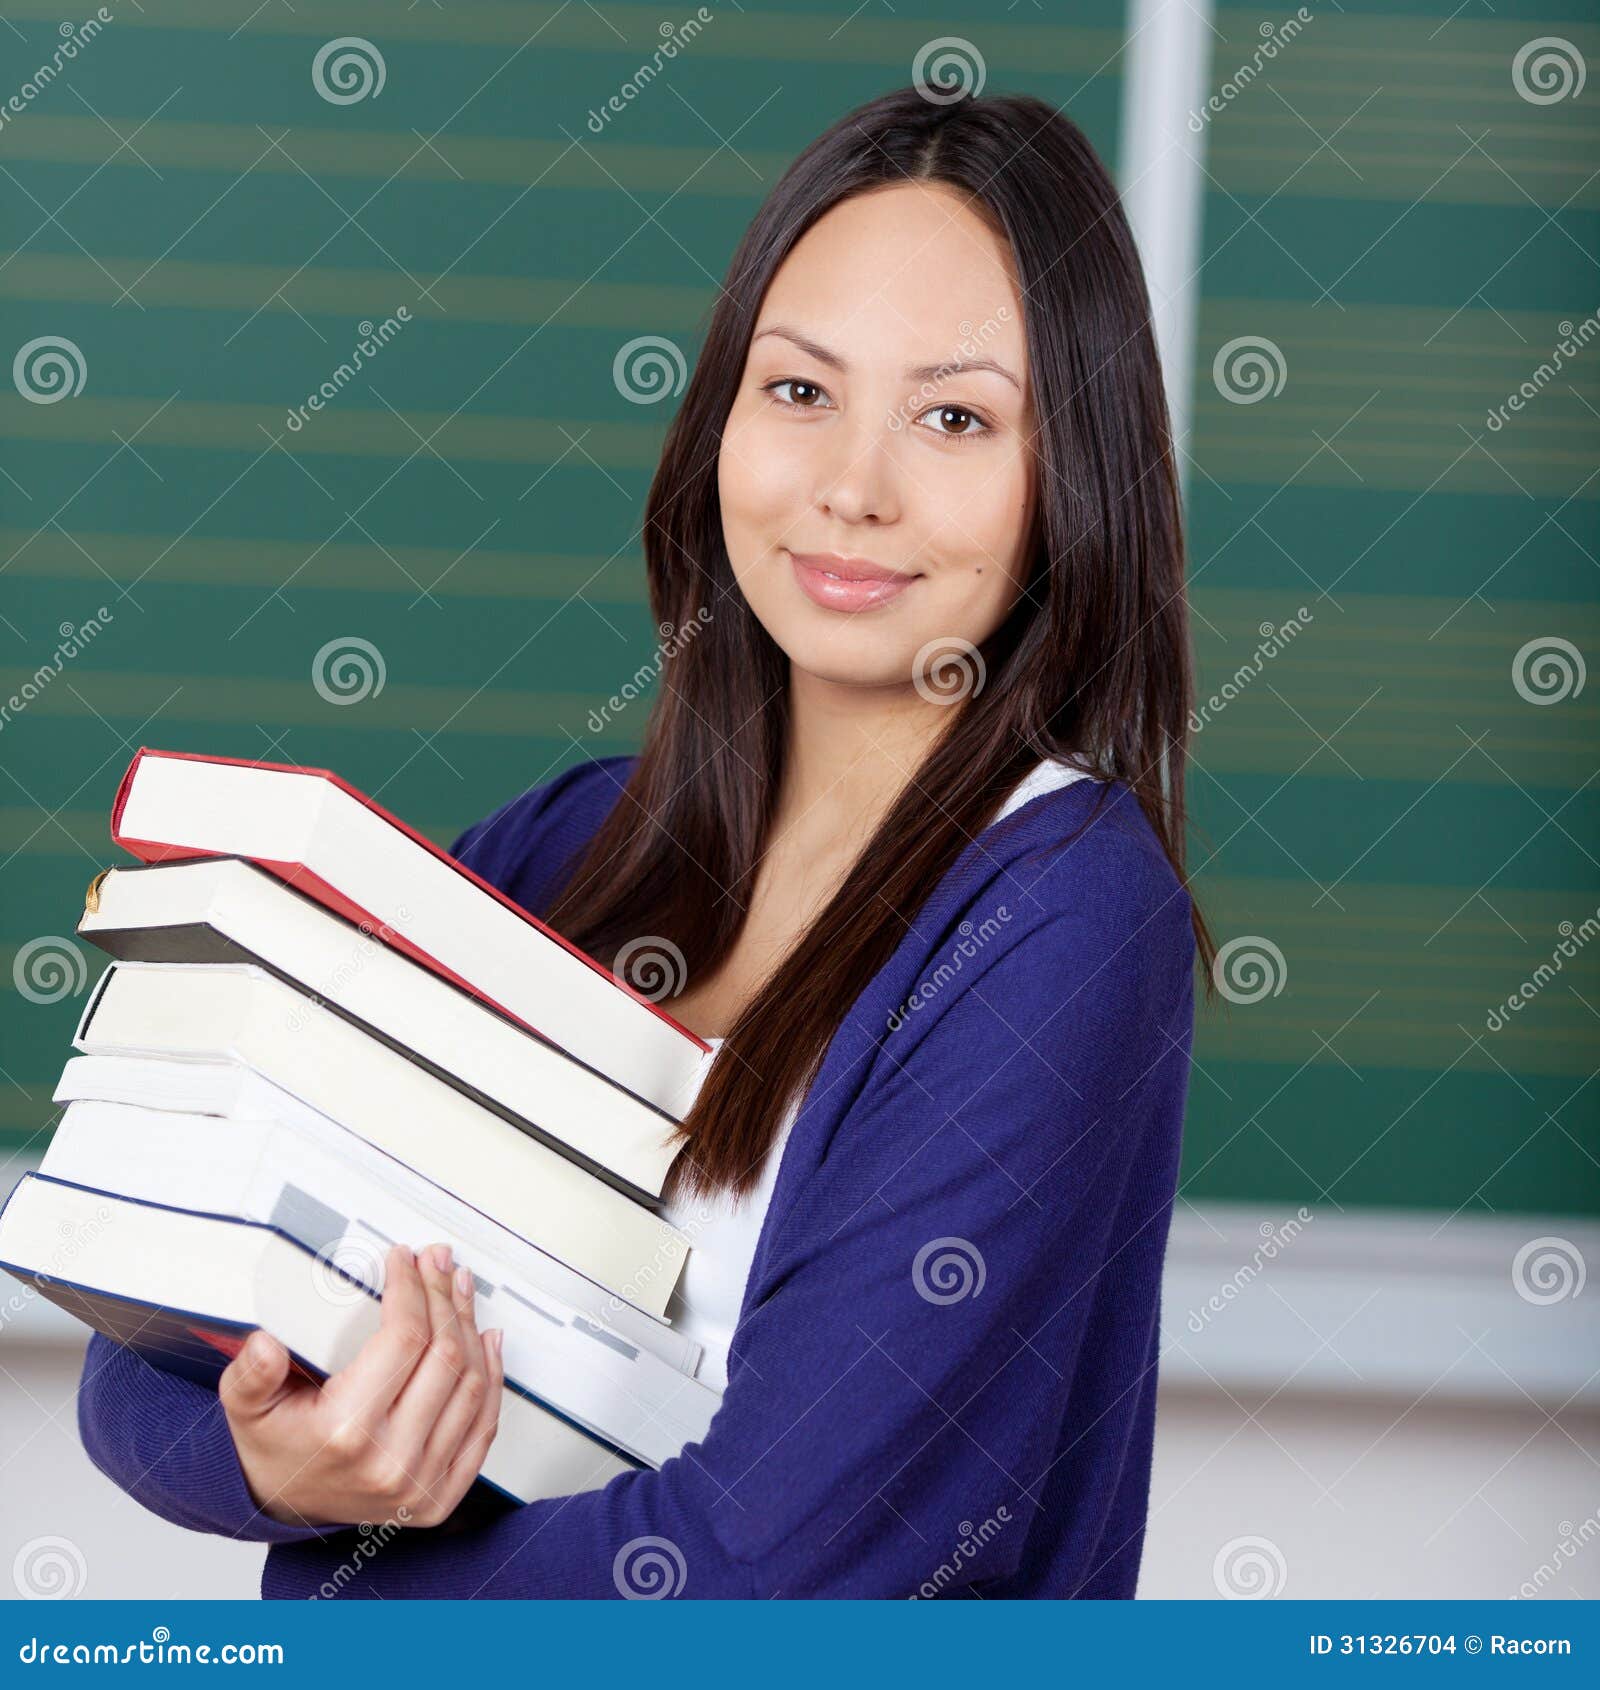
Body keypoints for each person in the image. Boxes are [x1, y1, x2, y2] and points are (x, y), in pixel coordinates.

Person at [76, 83, 1215, 1599]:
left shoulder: (1066, 913)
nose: (850, 488)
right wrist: (276, 1458)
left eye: (955, 416)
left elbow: (768, 1562)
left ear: (1071, 479)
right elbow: (139, 1338)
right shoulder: (570, 849)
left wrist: (347, 1583)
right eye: (799, 391)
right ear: (722, 418)